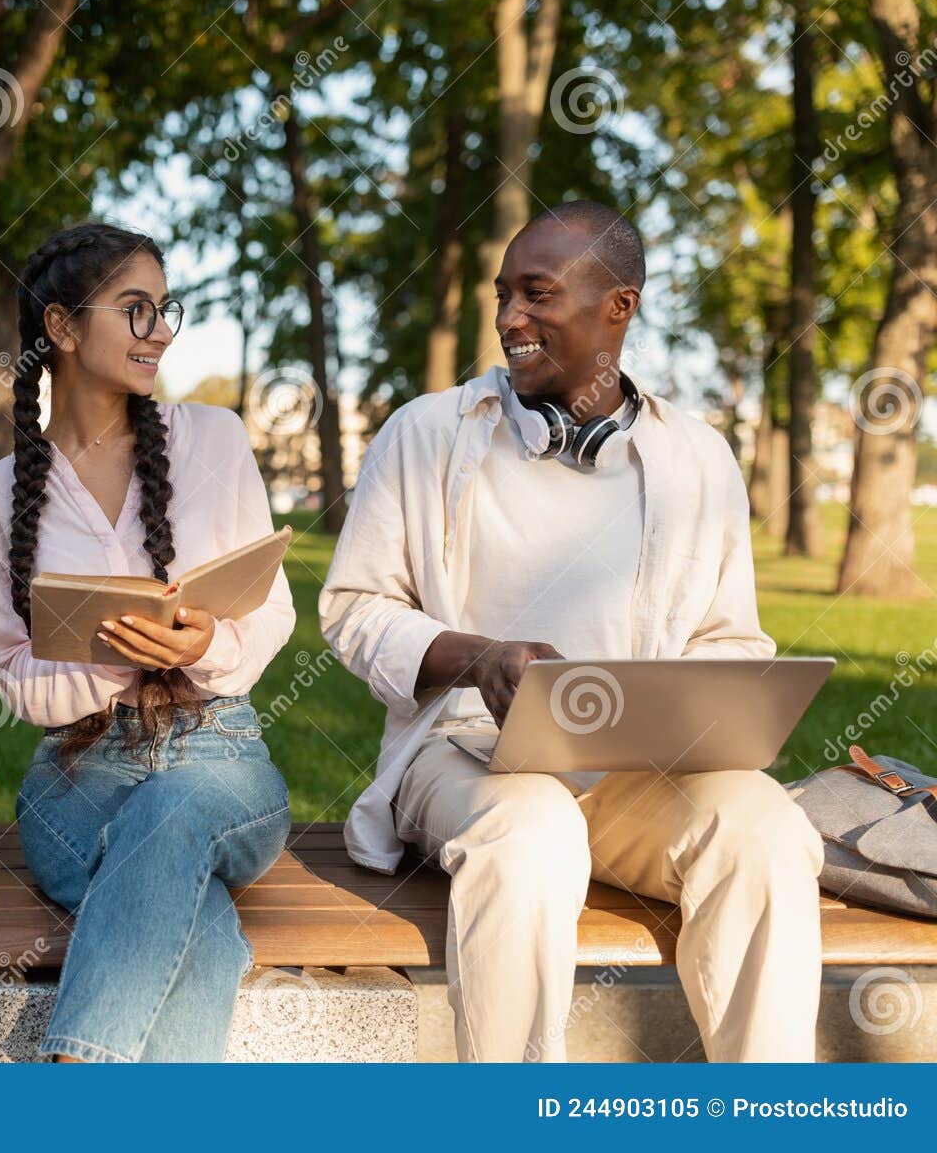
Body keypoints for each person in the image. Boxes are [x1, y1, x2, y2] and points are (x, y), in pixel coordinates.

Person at [320, 200, 825, 1062]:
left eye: (538, 294)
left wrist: (699, 704)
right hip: (467, 755)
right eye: (503, 295)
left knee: (768, 831)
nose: (510, 318)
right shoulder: (425, 433)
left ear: (617, 306)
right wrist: (480, 656)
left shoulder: (699, 456)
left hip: (639, 774)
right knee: (530, 833)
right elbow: (354, 608)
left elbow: (731, 638)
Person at [0, 222, 296, 1062]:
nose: (160, 331)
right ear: (63, 327)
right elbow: (11, 675)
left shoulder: (213, 440)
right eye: (135, 309)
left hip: (219, 757)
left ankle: (77, 1072)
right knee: (200, 923)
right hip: (78, 774)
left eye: (164, 310)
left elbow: (273, 612)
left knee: (172, 811)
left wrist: (202, 642)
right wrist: (120, 652)